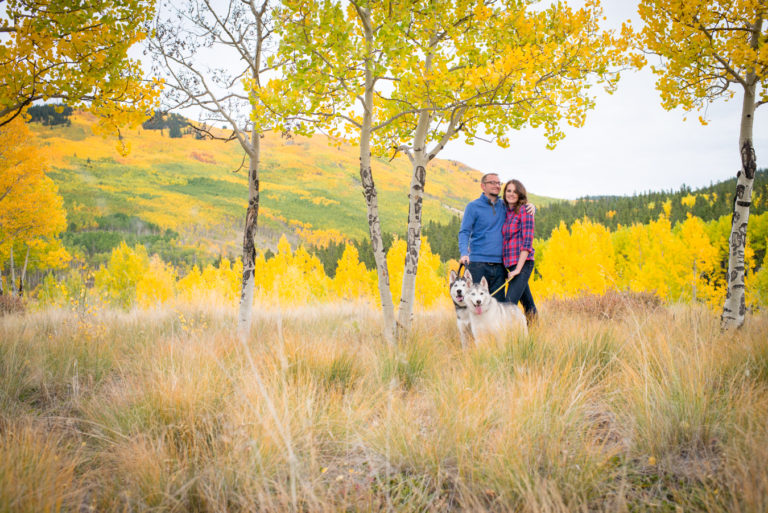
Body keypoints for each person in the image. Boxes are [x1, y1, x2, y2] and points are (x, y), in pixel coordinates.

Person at [458, 173, 537, 317]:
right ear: (483, 186)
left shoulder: (504, 206)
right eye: (492, 182)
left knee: (499, 308)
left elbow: (521, 210)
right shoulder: (473, 206)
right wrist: (464, 253)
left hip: (500, 266)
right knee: (475, 304)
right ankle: (476, 336)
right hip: (477, 264)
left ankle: (502, 337)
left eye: (498, 183)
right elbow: (464, 232)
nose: (496, 185)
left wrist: (532, 206)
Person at [501, 179, 537, 321]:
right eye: (508, 191)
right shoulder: (506, 212)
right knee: (527, 302)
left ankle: (510, 338)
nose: (511, 194)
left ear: (520, 194)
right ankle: (535, 332)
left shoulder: (525, 210)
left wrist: (517, 270)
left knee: (509, 304)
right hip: (511, 265)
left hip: (523, 263)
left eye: (515, 191)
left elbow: (527, 243)